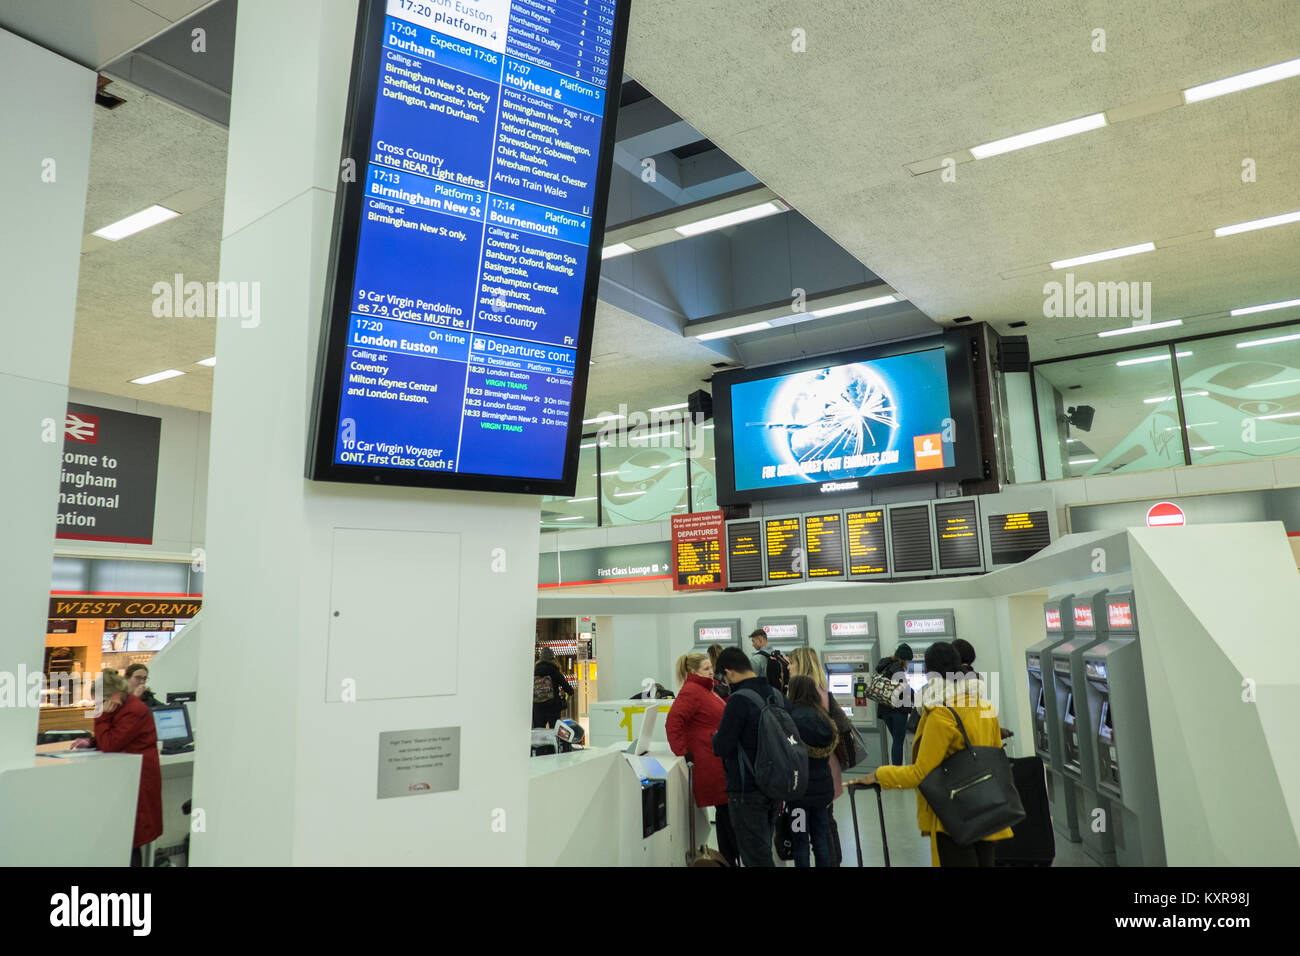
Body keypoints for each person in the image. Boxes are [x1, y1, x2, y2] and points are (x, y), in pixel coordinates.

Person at [850, 642, 1014, 868]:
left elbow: (920, 773)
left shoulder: (941, 716)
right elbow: (996, 757)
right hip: (987, 808)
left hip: (953, 814)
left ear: (928, 672)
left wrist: (880, 774)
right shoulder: (984, 707)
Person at [71, 669, 162, 866]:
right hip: (129, 776)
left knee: (130, 840)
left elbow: (111, 743)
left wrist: (101, 716)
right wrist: (92, 741)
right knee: (126, 837)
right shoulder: (124, 706)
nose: (96, 706)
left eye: (97, 702)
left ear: (112, 697)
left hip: (137, 781)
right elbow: (116, 736)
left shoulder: (132, 710)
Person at [710, 646, 786, 866]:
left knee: (755, 856)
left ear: (729, 672)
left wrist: (715, 737)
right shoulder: (776, 694)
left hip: (746, 789)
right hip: (774, 784)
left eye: (723, 677)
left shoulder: (738, 701)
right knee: (764, 848)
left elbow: (722, 746)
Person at [665, 653, 739, 866]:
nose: (710, 671)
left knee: (727, 818)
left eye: (710, 667)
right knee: (726, 819)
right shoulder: (692, 692)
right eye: (706, 668)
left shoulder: (705, 689)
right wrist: (683, 752)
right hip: (710, 763)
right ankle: (728, 861)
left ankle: (728, 860)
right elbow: (673, 723)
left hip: (716, 760)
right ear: (693, 672)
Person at [786, 675, 838, 867]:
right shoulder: (824, 718)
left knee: (800, 841)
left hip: (798, 794)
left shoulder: (790, 720)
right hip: (822, 792)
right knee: (820, 839)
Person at [788, 647, 843, 800]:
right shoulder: (820, 686)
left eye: (791, 663)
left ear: (802, 664)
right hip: (826, 760)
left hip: (812, 762)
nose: (788, 667)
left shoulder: (808, 691)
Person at [876, 642, 913, 765]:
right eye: (908, 660)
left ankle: (895, 769)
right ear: (903, 659)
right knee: (898, 742)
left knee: (896, 741)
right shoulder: (897, 667)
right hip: (897, 710)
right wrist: (919, 697)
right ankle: (897, 772)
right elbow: (905, 688)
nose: (908, 663)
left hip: (884, 709)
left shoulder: (885, 664)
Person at [532, 648, 573, 729]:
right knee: (554, 729)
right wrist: (570, 691)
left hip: (538, 706)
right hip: (552, 705)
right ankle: (552, 742)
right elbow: (565, 685)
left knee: (539, 730)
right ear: (552, 658)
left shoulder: (534, 671)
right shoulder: (553, 670)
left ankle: (539, 742)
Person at [748, 628, 790, 694]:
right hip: (781, 693)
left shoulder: (756, 659)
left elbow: (752, 681)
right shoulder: (781, 654)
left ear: (760, 640)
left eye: (753, 641)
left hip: (766, 694)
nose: (752, 644)